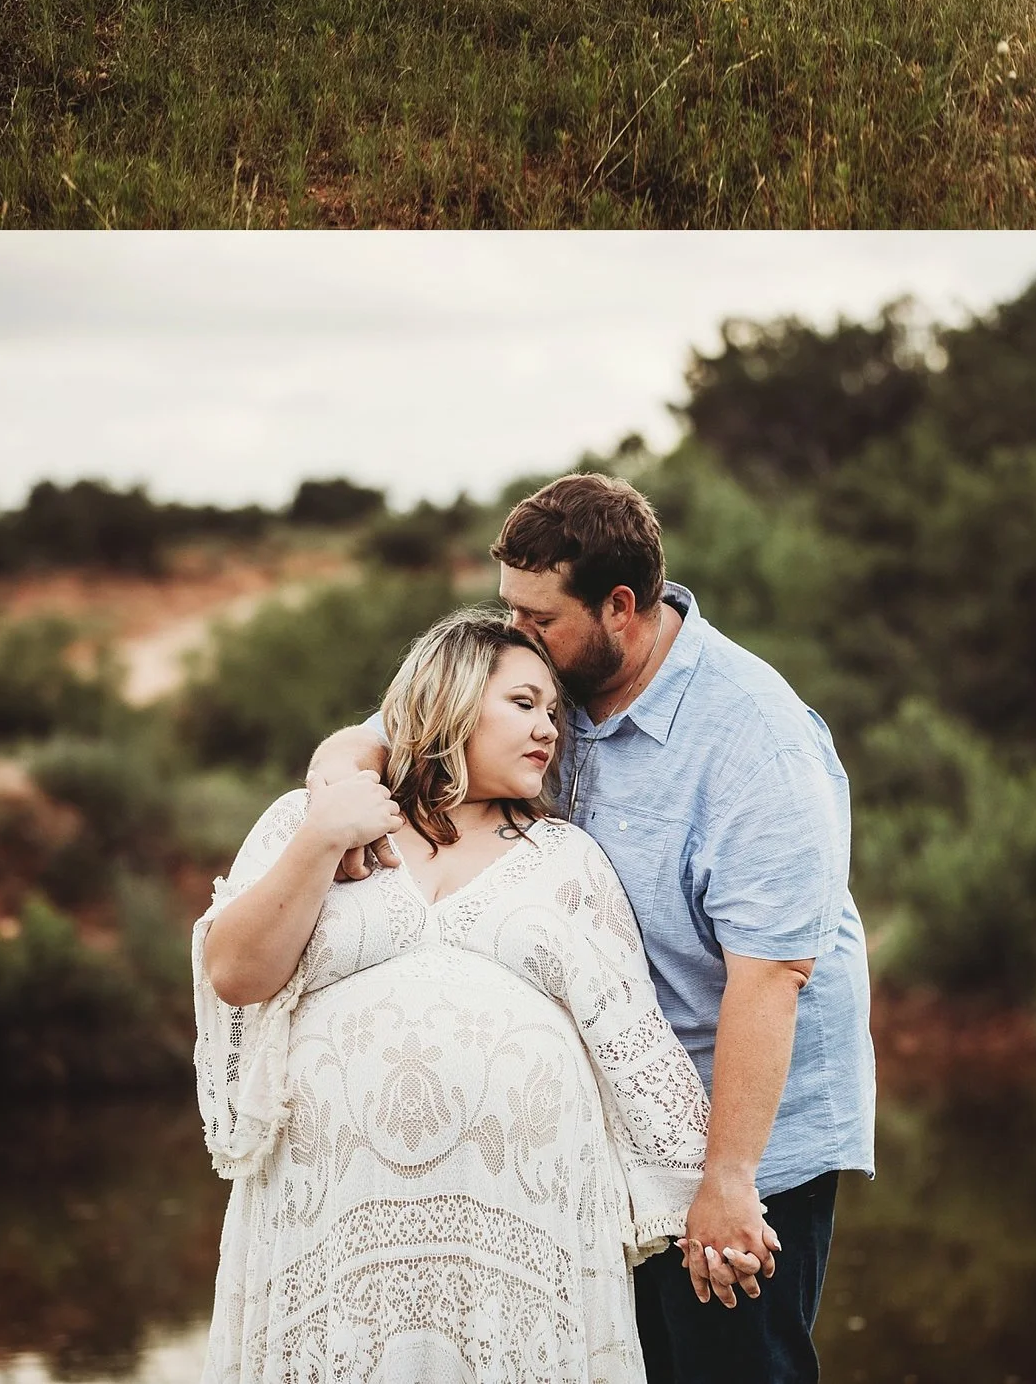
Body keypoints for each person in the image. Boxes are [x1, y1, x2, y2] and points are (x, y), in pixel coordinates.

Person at [310, 474, 874, 1384]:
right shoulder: (547, 675)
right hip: (596, 1127)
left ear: (621, 608)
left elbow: (771, 977)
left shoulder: (756, 742)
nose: (516, 635)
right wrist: (336, 805)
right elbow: (373, 736)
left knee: (727, 1370)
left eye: (540, 617)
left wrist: (725, 1181)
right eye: (510, 611)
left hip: (740, 1125)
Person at [194, 610, 718, 1384]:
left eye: (553, 713)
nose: (548, 729)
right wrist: (322, 836)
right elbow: (236, 974)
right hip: (334, 1232)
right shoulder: (314, 822)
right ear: (452, 699)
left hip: (515, 1240)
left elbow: (632, 1044)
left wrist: (708, 1197)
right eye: (523, 704)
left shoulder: (568, 860)